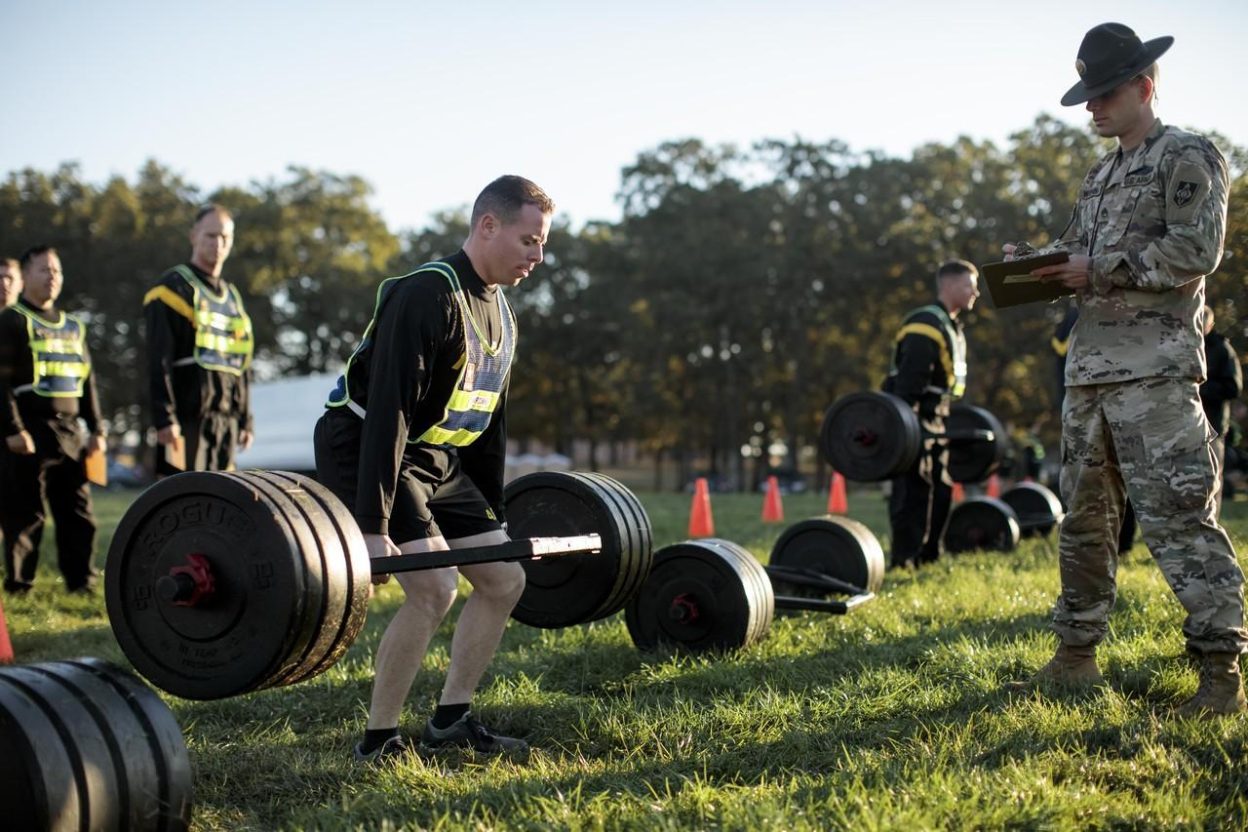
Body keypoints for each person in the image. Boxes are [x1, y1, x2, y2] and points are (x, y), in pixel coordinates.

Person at [1011, 22, 1246, 714]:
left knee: (1179, 520)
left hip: (1156, 377)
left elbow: (1196, 251)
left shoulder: (1189, 155)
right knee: (1082, 522)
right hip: (1089, 376)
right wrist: (1038, 265)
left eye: (1105, 94)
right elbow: (1076, 251)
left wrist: (1099, 267)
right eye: (1088, 96)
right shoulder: (1100, 174)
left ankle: (1219, 676)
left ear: (1146, 87)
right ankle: (1075, 654)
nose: (1093, 108)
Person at [314, 175, 553, 762]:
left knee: (504, 578)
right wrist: (371, 525)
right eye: (529, 240)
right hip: (369, 444)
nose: (537, 256)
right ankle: (379, 739)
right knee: (433, 589)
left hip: (435, 459)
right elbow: (388, 411)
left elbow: (487, 422)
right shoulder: (429, 292)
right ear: (488, 225)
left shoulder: (501, 314)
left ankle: (450, 721)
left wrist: (494, 514)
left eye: (542, 243)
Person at [0, 246, 104, 594]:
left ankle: (82, 582)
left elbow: (87, 382)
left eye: (56, 271)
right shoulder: (11, 320)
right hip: (31, 428)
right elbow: (1, 384)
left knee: (78, 512)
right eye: (43, 270)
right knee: (26, 514)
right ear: (25, 275)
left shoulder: (73, 326)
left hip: (71, 431)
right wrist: (13, 430)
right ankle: (20, 585)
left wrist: (97, 429)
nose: (52, 277)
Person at [881, 259, 979, 569]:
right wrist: (906, 425)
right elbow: (910, 380)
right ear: (948, 286)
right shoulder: (926, 322)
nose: (975, 293)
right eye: (968, 285)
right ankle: (903, 559)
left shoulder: (951, 325)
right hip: (914, 415)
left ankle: (929, 554)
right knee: (914, 488)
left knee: (941, 485)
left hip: (939, 414)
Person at [144, 204, 254, 474]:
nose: (219, 244)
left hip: (225, 422)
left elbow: (241, 367)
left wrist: (245, 419)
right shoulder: (171, 288)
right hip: (186, 420)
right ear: (194, 236)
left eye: (225, 237)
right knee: (183, 504)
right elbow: (158, 361)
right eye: (211, 235)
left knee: (221, 505)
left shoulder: (233, 300)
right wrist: (164, 419)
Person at [1051, 304, 1137, 554]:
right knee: (1097, 481)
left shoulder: (1080, 314)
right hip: (1089, 405)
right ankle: (1113, 545)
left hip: (1098, 404)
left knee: (1115, 476)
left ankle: (1120, 543)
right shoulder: (1076, 315)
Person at [1199, 305, 1242, 511]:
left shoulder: (1222, 349)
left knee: (1212, 479)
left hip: (1213, 425)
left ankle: (1211, 526)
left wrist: (1200, 387)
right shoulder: (1183, 344)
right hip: (1183, 423)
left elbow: (1233, 388)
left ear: (1211, 324)